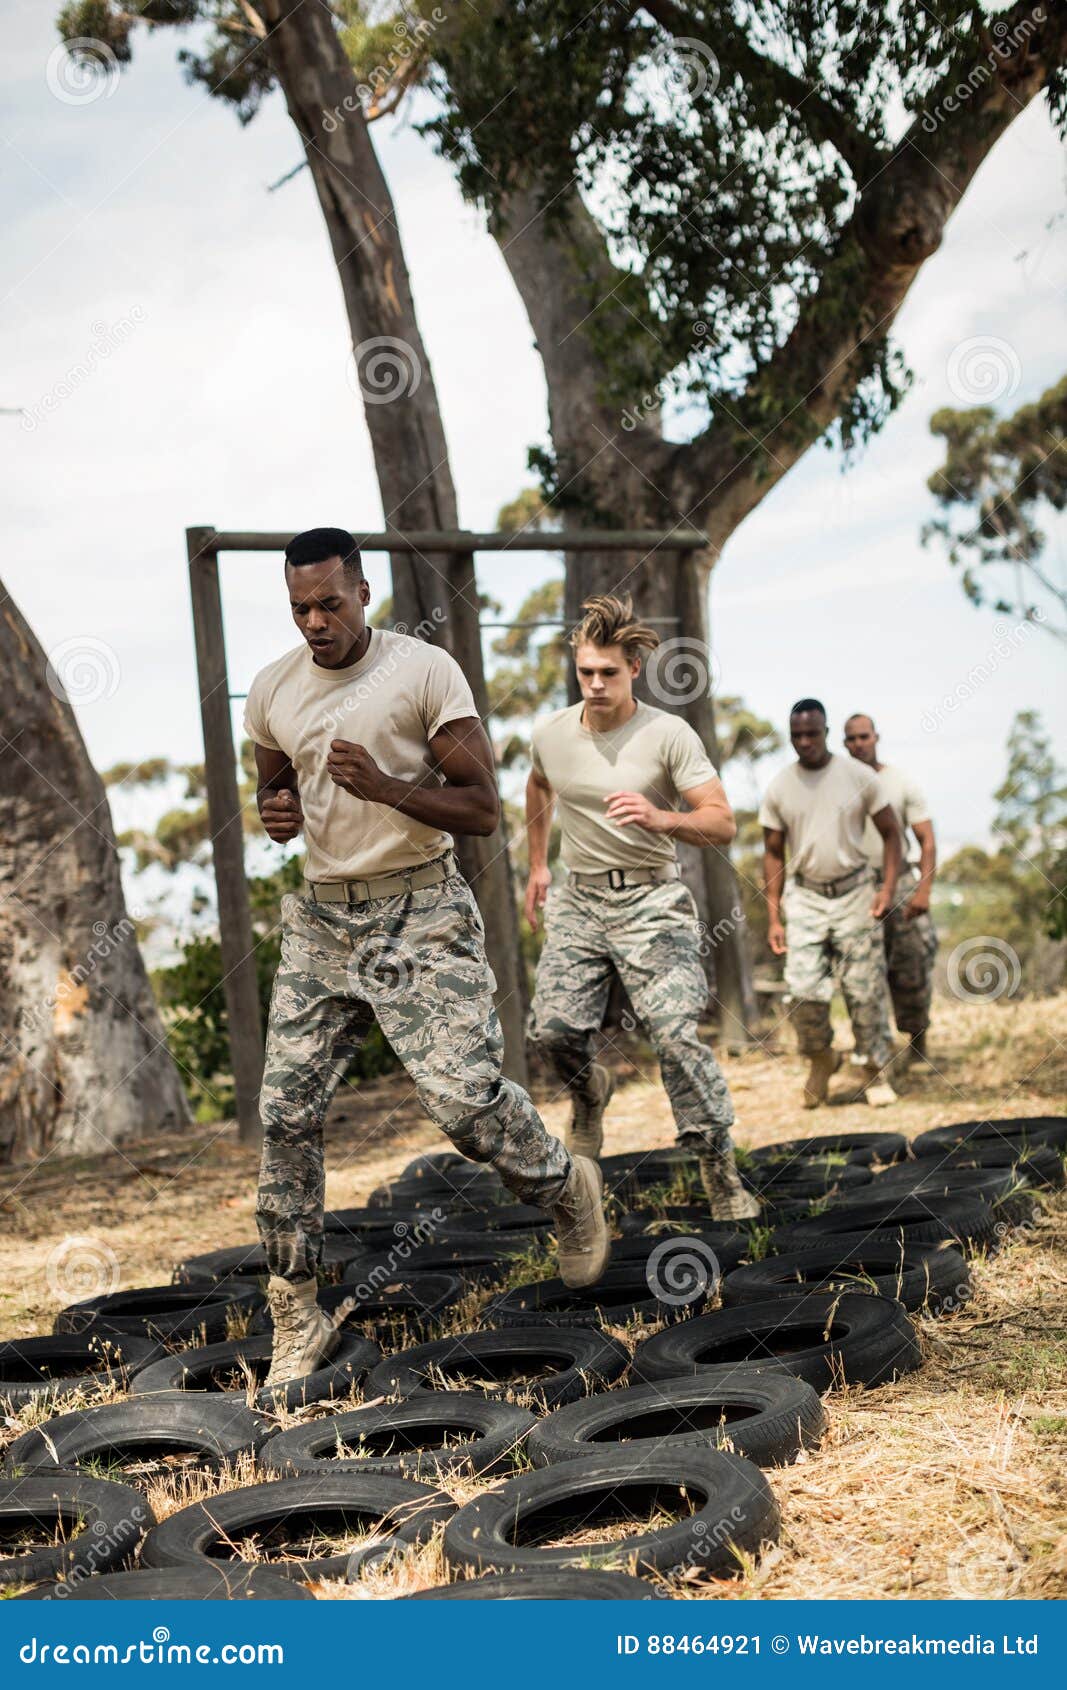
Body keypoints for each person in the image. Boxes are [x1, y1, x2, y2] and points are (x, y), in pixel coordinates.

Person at [244, 528, 609, 1387]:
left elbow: (481, 808)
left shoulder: (421, 673)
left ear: (364, 591)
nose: (316, 621)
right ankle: (294, 1309)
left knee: (463, 1105)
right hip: (324, 922)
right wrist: (276, 813)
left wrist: (384, 787)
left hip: (419, 910)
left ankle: (564, 1189)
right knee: (284, 1116)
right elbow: (274, 784)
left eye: (330, 602)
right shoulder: (271, 690)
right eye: (300, 608)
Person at [524, 594, 758, 1221]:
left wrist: (663, 816)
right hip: (579, 899)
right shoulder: (550, 733)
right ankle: (589, 1091)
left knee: (676, 1035)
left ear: (633, 669)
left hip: (652, 896)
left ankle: (719, 1169)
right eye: (585, 673)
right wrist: (539, 864)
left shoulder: (666, 734)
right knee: (552, 1029)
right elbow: (539, 783)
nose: (595, 684)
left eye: (609, 672)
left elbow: (724, 822)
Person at [760, 699, 903, 1109]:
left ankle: (874, 1070)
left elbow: (892, 833)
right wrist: (774, 914)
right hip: (804, 897)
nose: (805, 742)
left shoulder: (857, 776)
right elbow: (772, 852)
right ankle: (821, 1058)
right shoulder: (779, 786)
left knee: (863, 989)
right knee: (802, 990)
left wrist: (887, 888)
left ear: (825, 732)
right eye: (797, 736)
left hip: (855, 893)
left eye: (812, 734)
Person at [844, 713, 938, 1065]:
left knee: (911, 967)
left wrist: (923, 892)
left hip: (899, 884)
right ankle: (873, 1053)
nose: (859, 744)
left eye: (864, 737)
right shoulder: (837, 784)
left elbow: (926, 839)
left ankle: (918, 1044)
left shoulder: (900, 782)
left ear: (876, 737)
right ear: (843, 743)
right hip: (857, 887)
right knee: (863, 975)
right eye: (851, 739)